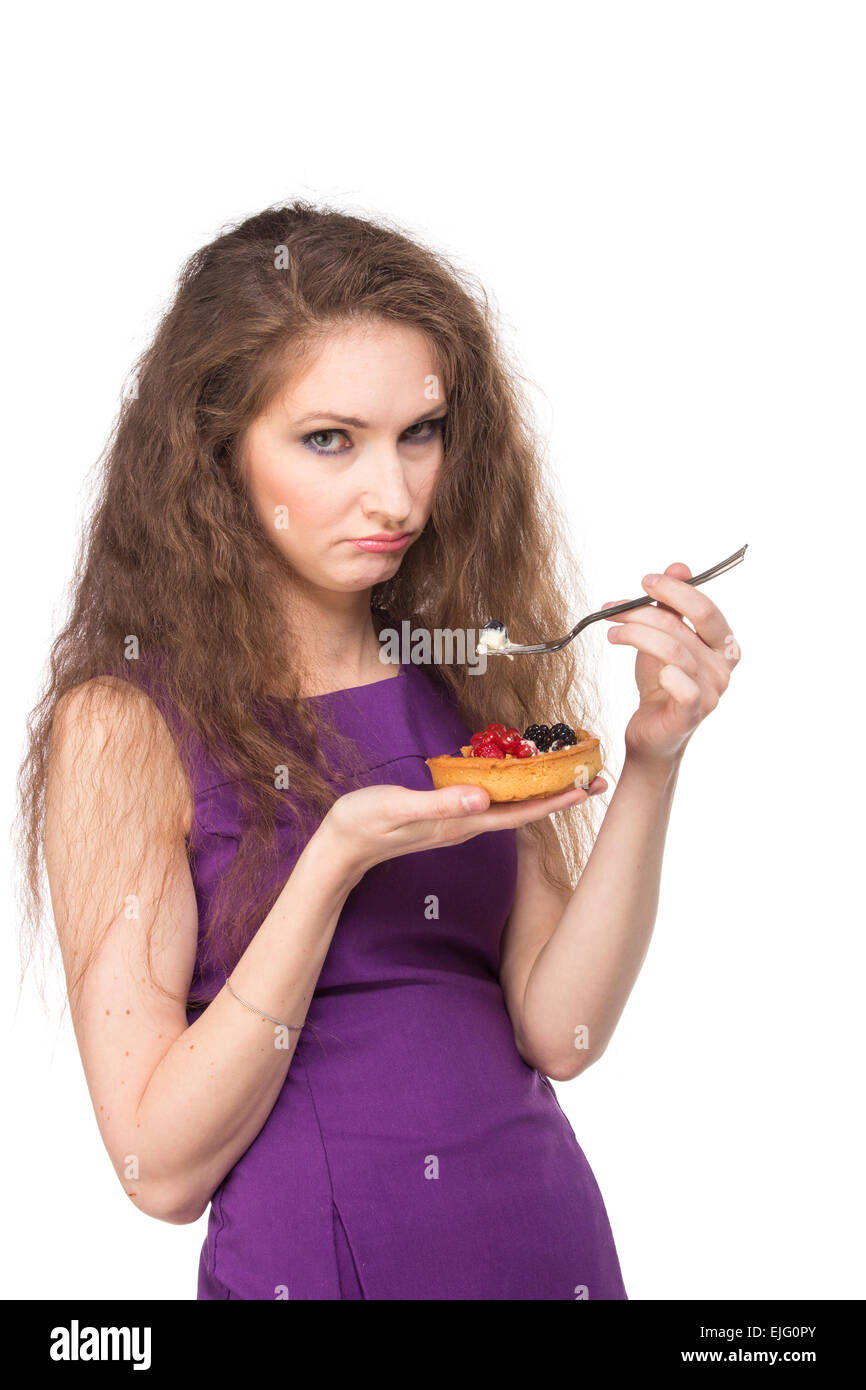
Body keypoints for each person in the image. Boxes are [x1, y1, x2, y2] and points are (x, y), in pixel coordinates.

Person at [18, 199, 740, 1299]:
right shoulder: (125, 726)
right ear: (215, 452)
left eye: (419, 433)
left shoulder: (466, 682)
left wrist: (652, 759)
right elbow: (156, 1170)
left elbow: (562, 1031)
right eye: (327, 440)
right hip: (325, 1263)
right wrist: (334, 859)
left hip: (544, 1241)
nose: (394, 493)